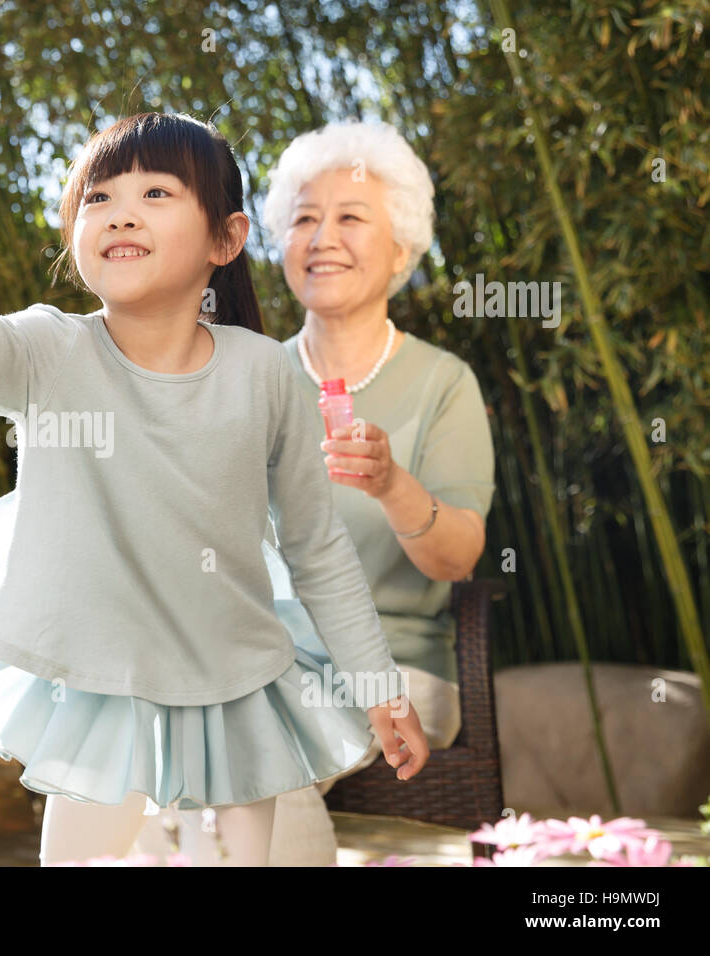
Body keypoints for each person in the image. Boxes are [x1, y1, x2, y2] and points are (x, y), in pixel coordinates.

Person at [0, 110, 428, 867]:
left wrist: (378, 682)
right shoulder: (52, 350)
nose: (120, 212)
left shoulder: (264, 372)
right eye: (98, 197)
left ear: (226, 238)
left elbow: (315, 544)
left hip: (238, 671)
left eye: (156, 194)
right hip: (101, 678)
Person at [248, 121, 496, 865]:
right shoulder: (242, 377)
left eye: (350, 217)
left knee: (256, 760)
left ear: (402, 251)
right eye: (303, 219)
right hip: (252, 664)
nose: (322, 237)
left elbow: (457, 559)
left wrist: (391, 484)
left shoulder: (442, 383)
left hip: (394, 668)